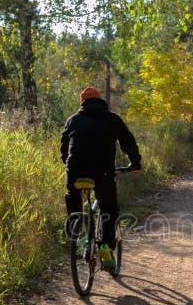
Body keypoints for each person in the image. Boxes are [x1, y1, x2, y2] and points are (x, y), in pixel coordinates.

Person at [60, 87, 141, 270]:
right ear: (100, 100)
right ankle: (105, 247)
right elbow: (128, 141)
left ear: (82, 102)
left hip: (75, 170)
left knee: (72, 197)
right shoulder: (112, 118)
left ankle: (75, 234)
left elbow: (64, 148)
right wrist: (135, 162)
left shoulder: (73, 120)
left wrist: (69, 165)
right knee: (109, 208)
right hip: (103, 172)